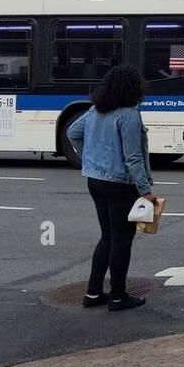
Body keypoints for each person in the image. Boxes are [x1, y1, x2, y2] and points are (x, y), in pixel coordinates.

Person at [65, 66, 156, 312]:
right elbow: (133, 157)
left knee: (107, 236)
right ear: (132, 89)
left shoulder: (95, 110)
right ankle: (118, 297)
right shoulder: (129, 115)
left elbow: (72, 132)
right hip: (121, 184)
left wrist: (89, 159)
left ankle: (93, 293)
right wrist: (145, 190)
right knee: (122, 240)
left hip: (95, 181)